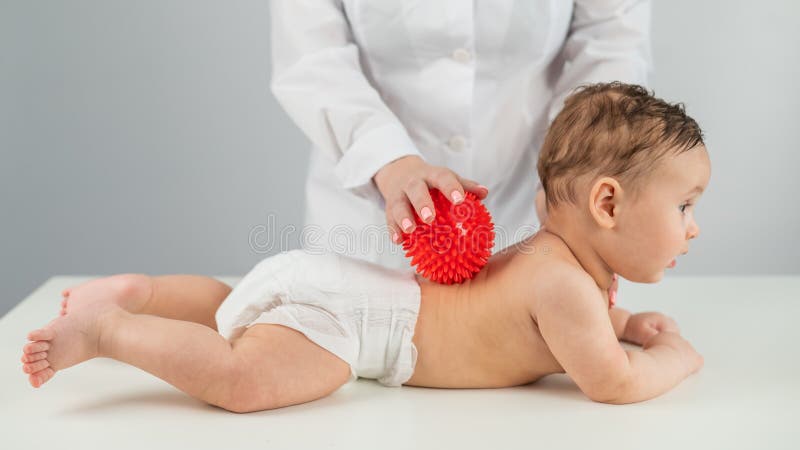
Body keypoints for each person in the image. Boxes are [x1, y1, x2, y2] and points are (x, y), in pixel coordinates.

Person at [21, 83, 707, 411]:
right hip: (359, 326)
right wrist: (669, 356)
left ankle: (143, 291)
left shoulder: (551, 267)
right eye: (684, 206)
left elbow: (558, 329)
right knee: (243, 377)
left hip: (341, 285)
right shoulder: (561, 286)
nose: (693, 227)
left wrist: (623, 322)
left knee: (238, 308)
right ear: (607, 203)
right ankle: (111, 330)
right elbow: (611, 381)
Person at [269, 0, 653, 274]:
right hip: (367, 226)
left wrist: (570, 166)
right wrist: (389, 161)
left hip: (530, 213)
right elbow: (312, 61)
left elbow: (612, 41)